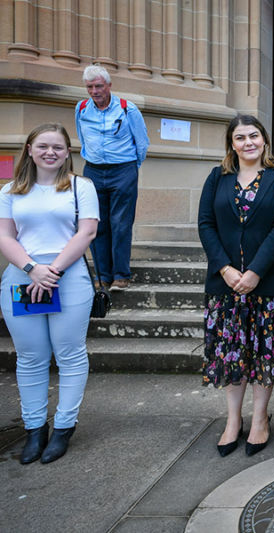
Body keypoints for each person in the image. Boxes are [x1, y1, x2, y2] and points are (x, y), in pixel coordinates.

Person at [198, 114, 274, 457]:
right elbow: (206, 225)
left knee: (263, 354)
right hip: (224, 285)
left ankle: (259, 420)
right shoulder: (217, 178)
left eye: (254, 135)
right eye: (240, 138)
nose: (248, 143)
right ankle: (232, 421)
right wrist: (225, 269)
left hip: (265, 282)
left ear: (265, 140)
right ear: (232, 144)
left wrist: (254, 272)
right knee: (231, 354)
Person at [0, 124, 99, 464]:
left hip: (67, 278)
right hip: (22, 279)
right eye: (43, 146)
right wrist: (32, 270)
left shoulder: (79, 187)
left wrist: (52, 271)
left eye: (58, 147)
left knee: (69, 354)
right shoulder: (11, 190)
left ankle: (62, 428)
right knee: (30, 357)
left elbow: (87, 232)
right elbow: (5, 236)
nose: (50, 152)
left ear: (67, 153)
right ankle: (33, 429)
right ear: (29, 149)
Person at [75, 64, 149, 291]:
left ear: (109, 85)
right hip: (93, 171)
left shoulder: (128, 109)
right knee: (96, 223)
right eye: (90, 87)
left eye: (98, 86)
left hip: (123, 170)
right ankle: (102, 275)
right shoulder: (81, 108)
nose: (94, 91)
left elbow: (142, 143)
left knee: (120, 223)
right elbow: (82, 137)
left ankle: (120, 274)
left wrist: (129, 168)